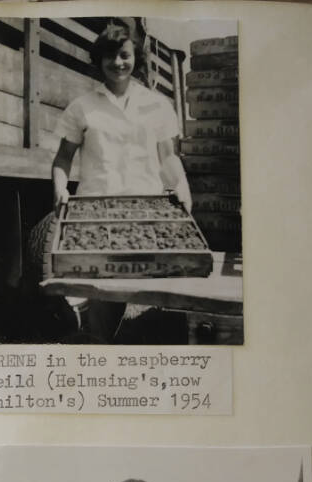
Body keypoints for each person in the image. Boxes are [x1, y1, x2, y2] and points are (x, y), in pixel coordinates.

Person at [38, 18, 193, 342]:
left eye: (124, 55)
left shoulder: (156, 105)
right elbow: (63, 159)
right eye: (110, 56)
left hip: (144, 210)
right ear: (99, 61)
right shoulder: (82, 107)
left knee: (128, 283)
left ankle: (97, 334)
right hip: (96, 210)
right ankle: (94, 341)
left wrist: (180, 187)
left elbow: (168, 157)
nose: (118, 63)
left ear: (135, 58)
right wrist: (60, 188)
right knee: (100, 285)